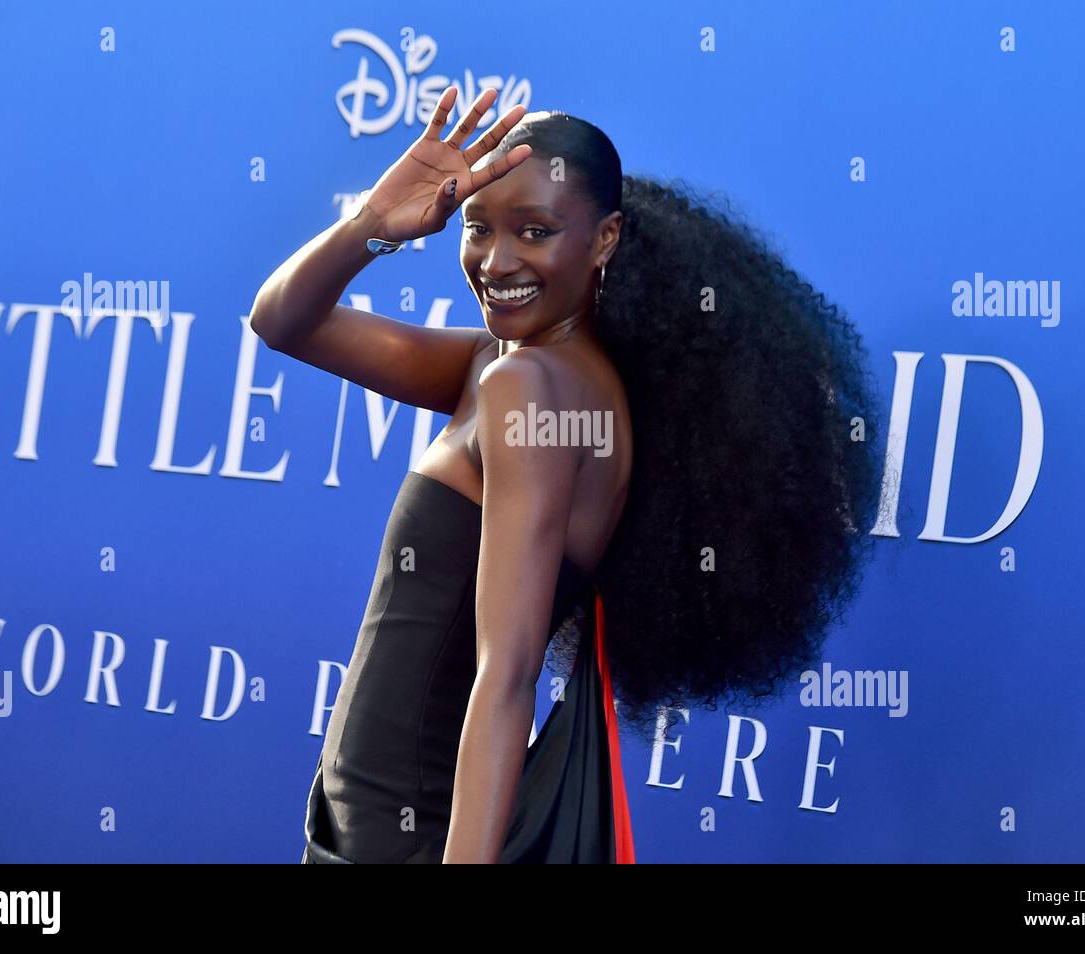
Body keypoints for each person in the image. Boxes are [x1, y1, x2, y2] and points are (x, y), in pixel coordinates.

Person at [250, 85, 885, 864]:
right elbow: (282, 321)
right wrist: (373, 227)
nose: (498, 260)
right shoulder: (508, 366)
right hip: (377, 810)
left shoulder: (530, 390)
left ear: (606, 238)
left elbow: (507, 673)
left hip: (412, 825)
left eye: (536, 231)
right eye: (478, 227)